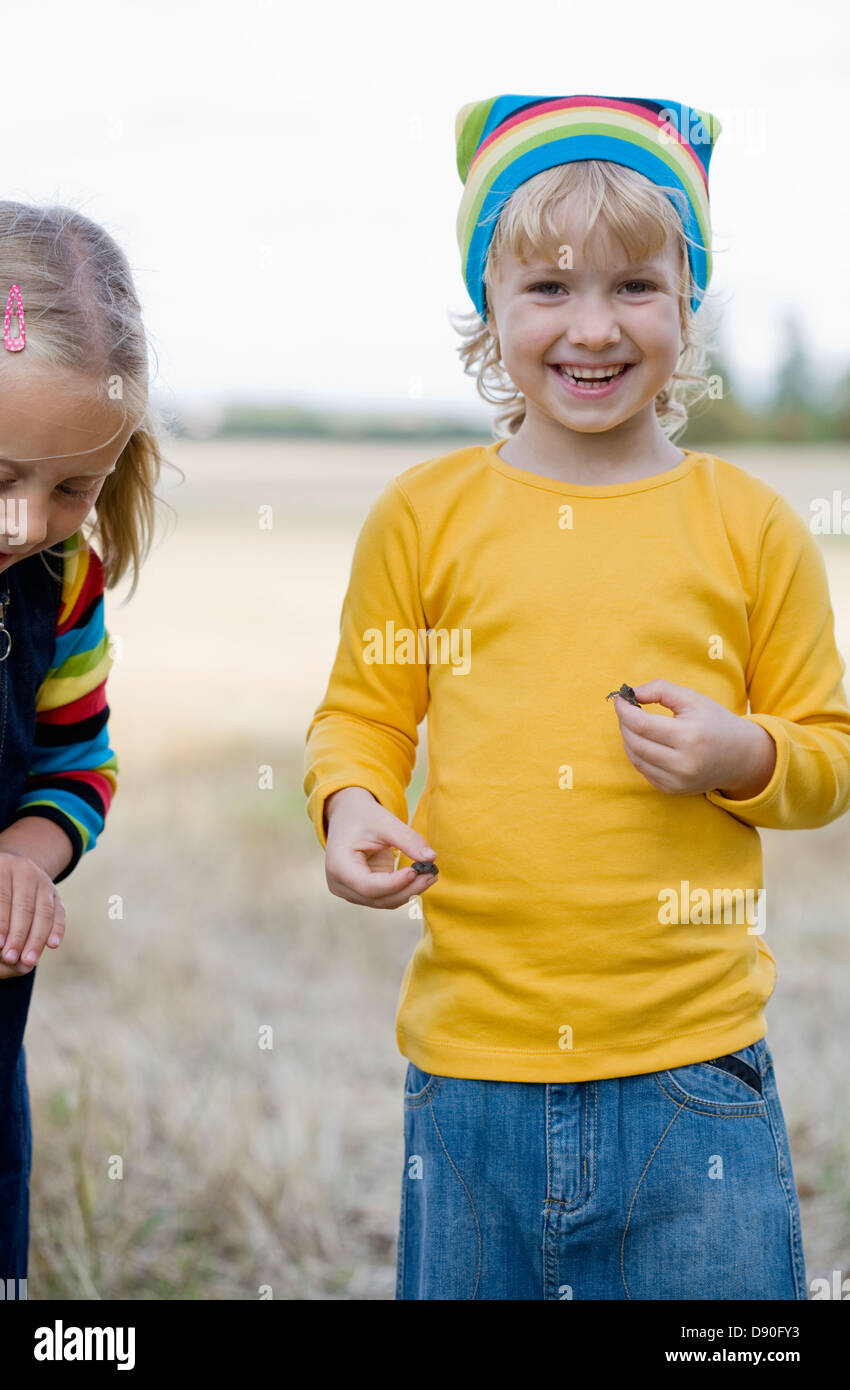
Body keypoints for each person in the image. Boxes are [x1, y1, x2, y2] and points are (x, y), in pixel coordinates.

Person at [303, 94, 850, 1299]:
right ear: (486, 307)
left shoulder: (750, 529)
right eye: (546, 288)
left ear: (685, 301)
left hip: (691, 1071)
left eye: (632, 287)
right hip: (469, 1076)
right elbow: (364, 714)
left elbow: (826, 755)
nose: (590, 326)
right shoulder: (423, 515)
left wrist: (743, 755)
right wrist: (349, 803)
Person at [0, 201, 164, 1289]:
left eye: (72, 489)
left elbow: (77, 762)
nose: (22, 524)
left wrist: (24, 855)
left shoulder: (63, 582)